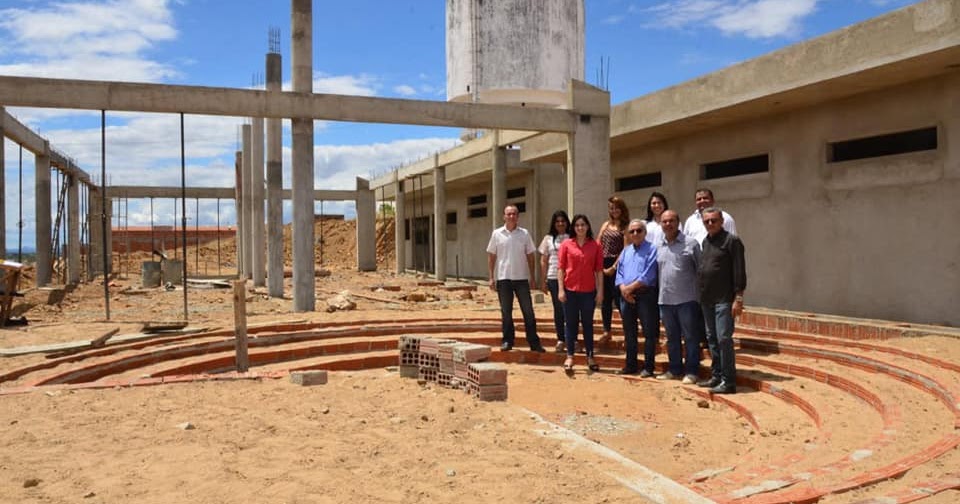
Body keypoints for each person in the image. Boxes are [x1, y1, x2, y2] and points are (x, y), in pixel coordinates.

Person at [697, 207, 746, 394]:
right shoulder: (706, 242)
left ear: (721, 221)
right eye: (706, 221)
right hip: (707, 299)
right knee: (712, 339)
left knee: (724, 339)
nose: (710, 223)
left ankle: (728, 381)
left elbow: (739, 271)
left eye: (713, 220)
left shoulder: (732, 241)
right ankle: (716, 375)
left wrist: (738, 297)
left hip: (725, 300)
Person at [487, 205, 546, 353]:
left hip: (521, 279)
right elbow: (492, 256)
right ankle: (507, 341)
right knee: (506, 312)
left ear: (518, 216)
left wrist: (532, 277)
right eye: (509, 214)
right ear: (504, 216)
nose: (511, 216)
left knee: (528, 311)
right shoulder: (497, 234)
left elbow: (530, 256)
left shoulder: (524, 234)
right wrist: (491, 277)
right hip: (503, 278)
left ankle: (534, 342)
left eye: (514, 214)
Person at [655, 210, 704, 384]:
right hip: (665, 300)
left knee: (690, 337)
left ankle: (692, 371)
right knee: (672, 337)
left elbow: (701, 270)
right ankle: (674, 368)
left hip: (687, 299)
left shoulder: (691, 244)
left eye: (671, 221)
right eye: (665, 221)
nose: (668, 224)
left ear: (678, 222)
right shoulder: (658, 245)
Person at [557, 214, 604, 374]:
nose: (580, 228)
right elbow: (561, 268)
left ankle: (590, 356)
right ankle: (570, 356)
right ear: (573, 228)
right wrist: (561, 289)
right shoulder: (566, 245)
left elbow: (598, 270)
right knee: (570, 325)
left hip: (588, 292)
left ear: (588, 226)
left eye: (583, 224)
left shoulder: (595, 246)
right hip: (570, 291)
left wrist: (600, 291)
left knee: (588, 325)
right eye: (577, 225)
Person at [614, 218, 659, 377]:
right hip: (626, 297)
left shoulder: (652, 249)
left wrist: (630, 288)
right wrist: (623, 290)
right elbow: (619, 273)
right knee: (629, 333)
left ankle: (648, 367)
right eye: (632, 231)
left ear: (645, 232)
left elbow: (649, 274)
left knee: (649, 333)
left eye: (639, 230)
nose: (635, 233)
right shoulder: (626, 251)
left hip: (645, 295)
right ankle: (630, 365)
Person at [597, 196, 629, 346]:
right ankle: (606, 331)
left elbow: (625, 250)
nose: (614, 210)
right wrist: (599, 265)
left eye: (616, 207)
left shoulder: (626, 227)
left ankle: (627, 332)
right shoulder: (605, 225)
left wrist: (613, 267)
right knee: (605, 300)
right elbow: (598, 244)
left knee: (619, 299)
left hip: (618, 265)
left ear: (621, 208)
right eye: (611, 208)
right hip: (603, 264)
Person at [539, 210, 571, 353]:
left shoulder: (572, 237)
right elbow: (543, 260)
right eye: (557, 221)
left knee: (571, 310)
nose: (560, 224)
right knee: (558, 310)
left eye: (562, 221)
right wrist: (543, 280)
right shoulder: (548, 238)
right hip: (553, 277)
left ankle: (573, 338)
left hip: (570, 278)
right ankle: (561, 339)